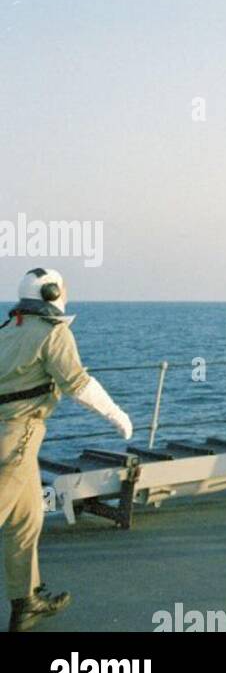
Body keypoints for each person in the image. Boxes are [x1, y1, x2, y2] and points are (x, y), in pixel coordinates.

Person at [2, 268, 133, 632]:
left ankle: (25, 601)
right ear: (52, 292)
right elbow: (79, 385)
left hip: (14, 439)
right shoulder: (53, 333)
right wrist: (118, 416)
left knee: (26, 519)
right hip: (17, 437)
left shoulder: (7, 330)